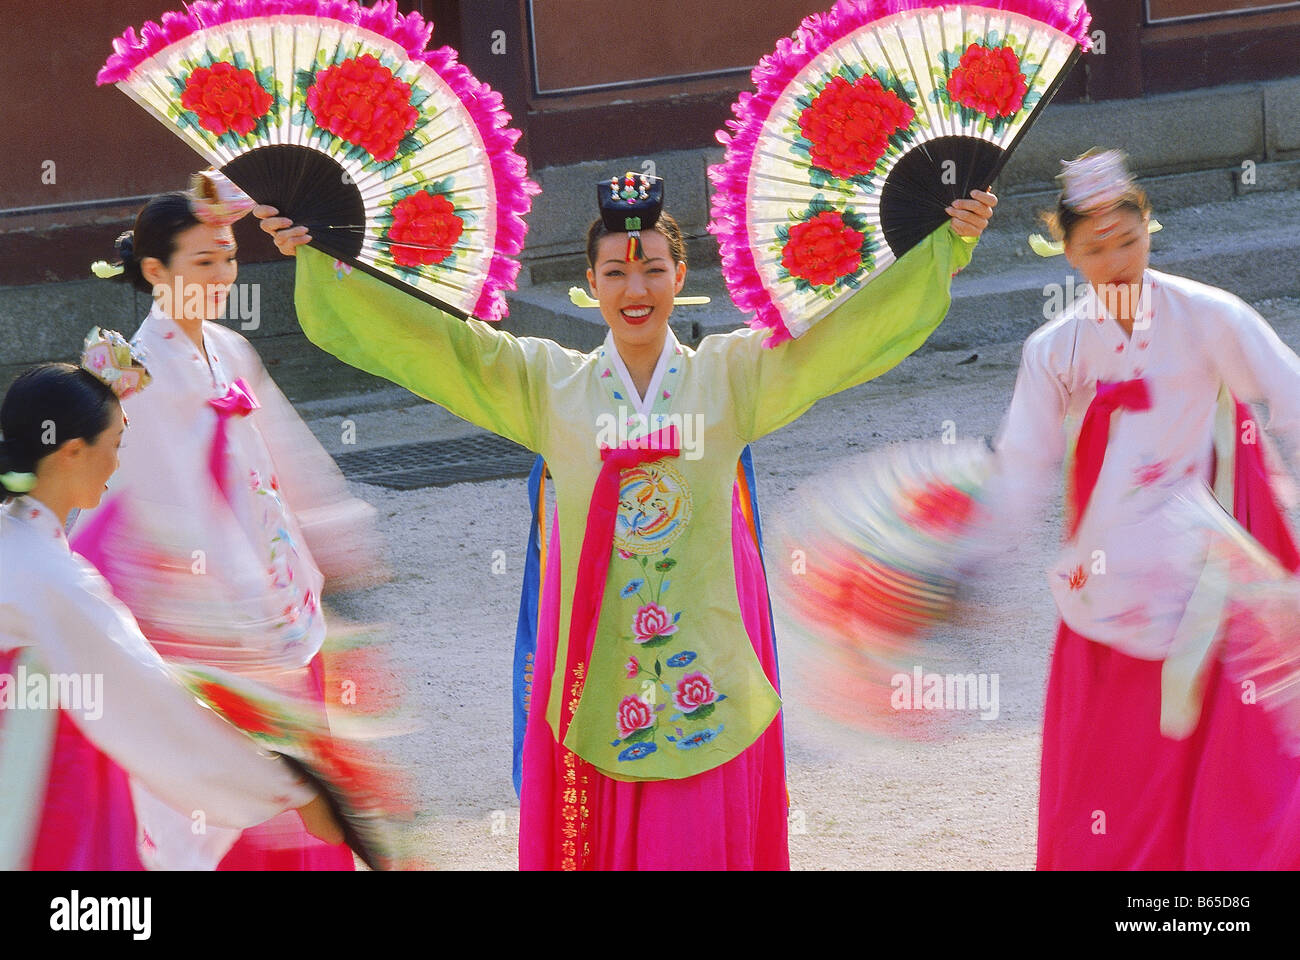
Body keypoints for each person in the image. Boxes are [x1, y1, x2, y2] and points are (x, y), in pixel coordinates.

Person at [257, 174, 996, 869]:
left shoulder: (732, 374)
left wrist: (939, 245)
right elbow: (442, 346)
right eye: (614, 273)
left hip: (701, 663)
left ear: (680, 276)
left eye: (650, 270)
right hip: (596, 672)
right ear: (589, 287)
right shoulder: (548, 385)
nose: (634, 289)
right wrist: (322, 258)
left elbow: (837, 335)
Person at [988, 149, 1300, 868]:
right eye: (1095, 247)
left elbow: (1285, 391)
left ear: (1150, 229)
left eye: (1128, 239)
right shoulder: (1055, 347)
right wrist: (971, 548)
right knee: (1117, 762)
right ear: (1067, 252)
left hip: (1206, 567)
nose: (1116, 258)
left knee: (1231, 757)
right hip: (1112, 569)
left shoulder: (1207, 315)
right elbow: (1024, 463)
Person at [73, 171, 376, 870]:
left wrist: (330, 529)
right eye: (203, 261)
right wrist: (241, 602)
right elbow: (169, 501)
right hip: (203, 618)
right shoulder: (134, 373)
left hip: (268, 595)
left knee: (294, 777)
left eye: (229, 257)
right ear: (155, 270)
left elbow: (285, 452)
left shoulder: (229, 348)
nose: (221, 273)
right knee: (228, 794)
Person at [0, 346, 343, 870]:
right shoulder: (54, 578)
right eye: (115, 444)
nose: (118, 463)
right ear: (71, 450)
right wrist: (291, 787)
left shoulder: (19, 541)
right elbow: (151, 702)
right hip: (37, 794)